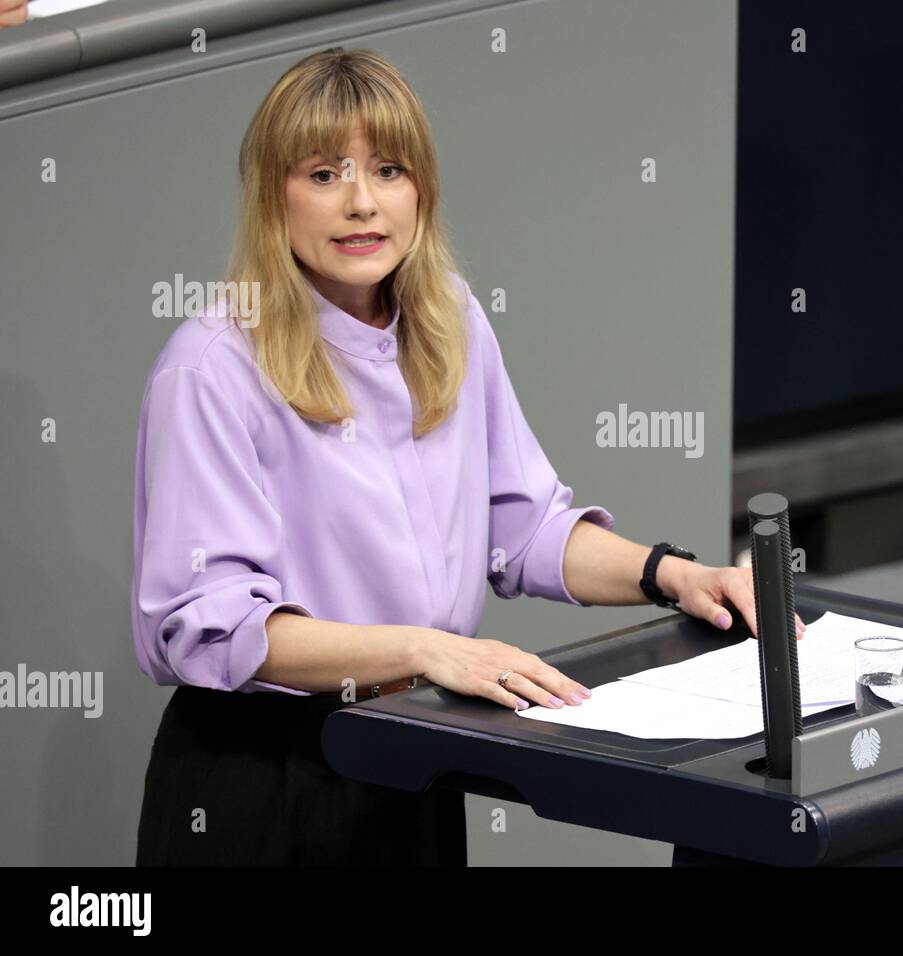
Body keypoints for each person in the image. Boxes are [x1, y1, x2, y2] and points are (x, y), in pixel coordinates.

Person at [131, 47, 804, 866]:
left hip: (411, 751)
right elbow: (209, 628)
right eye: (322, 174)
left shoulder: (447, 319)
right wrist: (422, 648)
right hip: (268, 778)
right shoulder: (211, 368)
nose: (360, 203)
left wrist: (676, 576)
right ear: (273, 196)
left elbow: (522, 531)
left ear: (423, 190)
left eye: (388, 170)